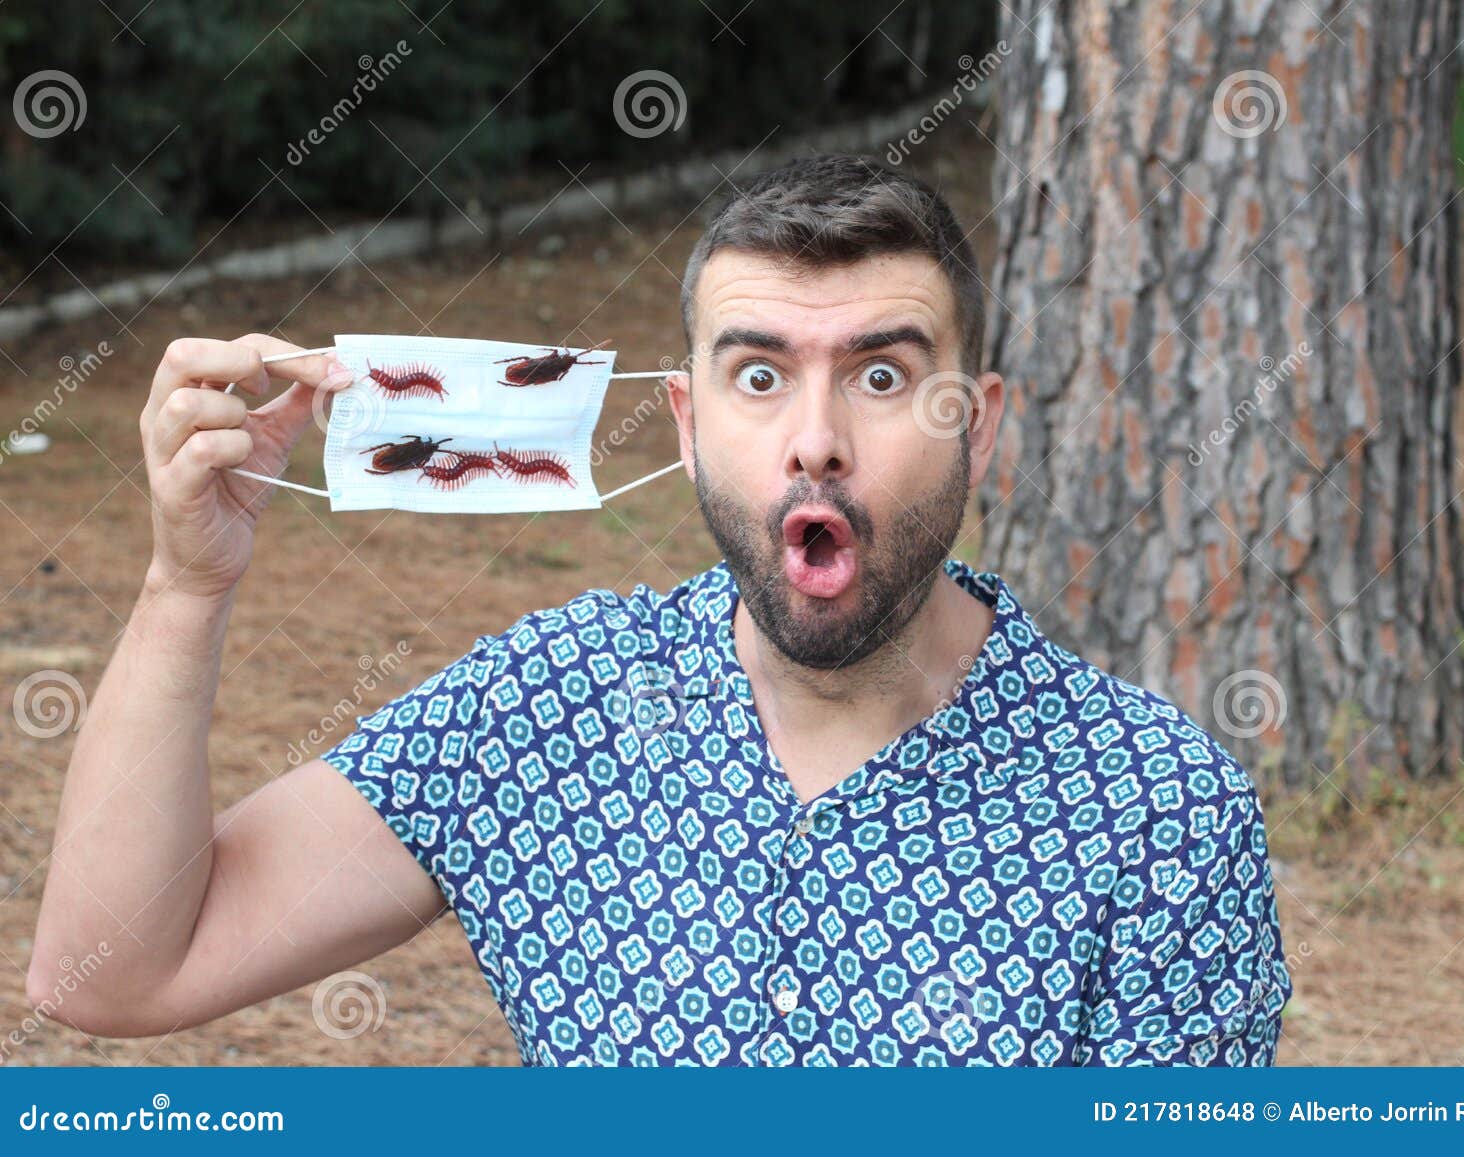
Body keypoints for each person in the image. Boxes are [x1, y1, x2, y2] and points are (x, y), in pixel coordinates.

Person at [30, 153, 1291, 1065]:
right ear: (684, 428)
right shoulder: (553, 706)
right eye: (757, 374)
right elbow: (118, 969)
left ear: (982, 424)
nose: (815, 441)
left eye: (884, 373)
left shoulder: (1153, 811)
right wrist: (186, 583)